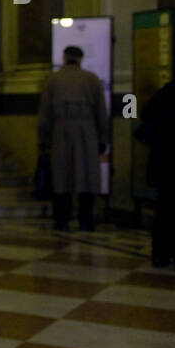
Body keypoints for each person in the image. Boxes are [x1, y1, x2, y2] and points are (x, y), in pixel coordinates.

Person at [37, 45, 108, 232]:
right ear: (81, 59)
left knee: (62, 179)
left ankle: (62, 220)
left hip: (61, 132)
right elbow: (101, 112)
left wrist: (43, 138)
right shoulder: (92, 79)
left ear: (64, 57)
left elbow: (45, 113)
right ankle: (86, 220)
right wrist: (103, 139)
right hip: (87, 132)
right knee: (87, 177)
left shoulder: (53, 79)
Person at [135, 78, 175, 268]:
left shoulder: (169, 90)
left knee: (164, 209)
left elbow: (146, 113)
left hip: (165, 161)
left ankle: (160, 254)